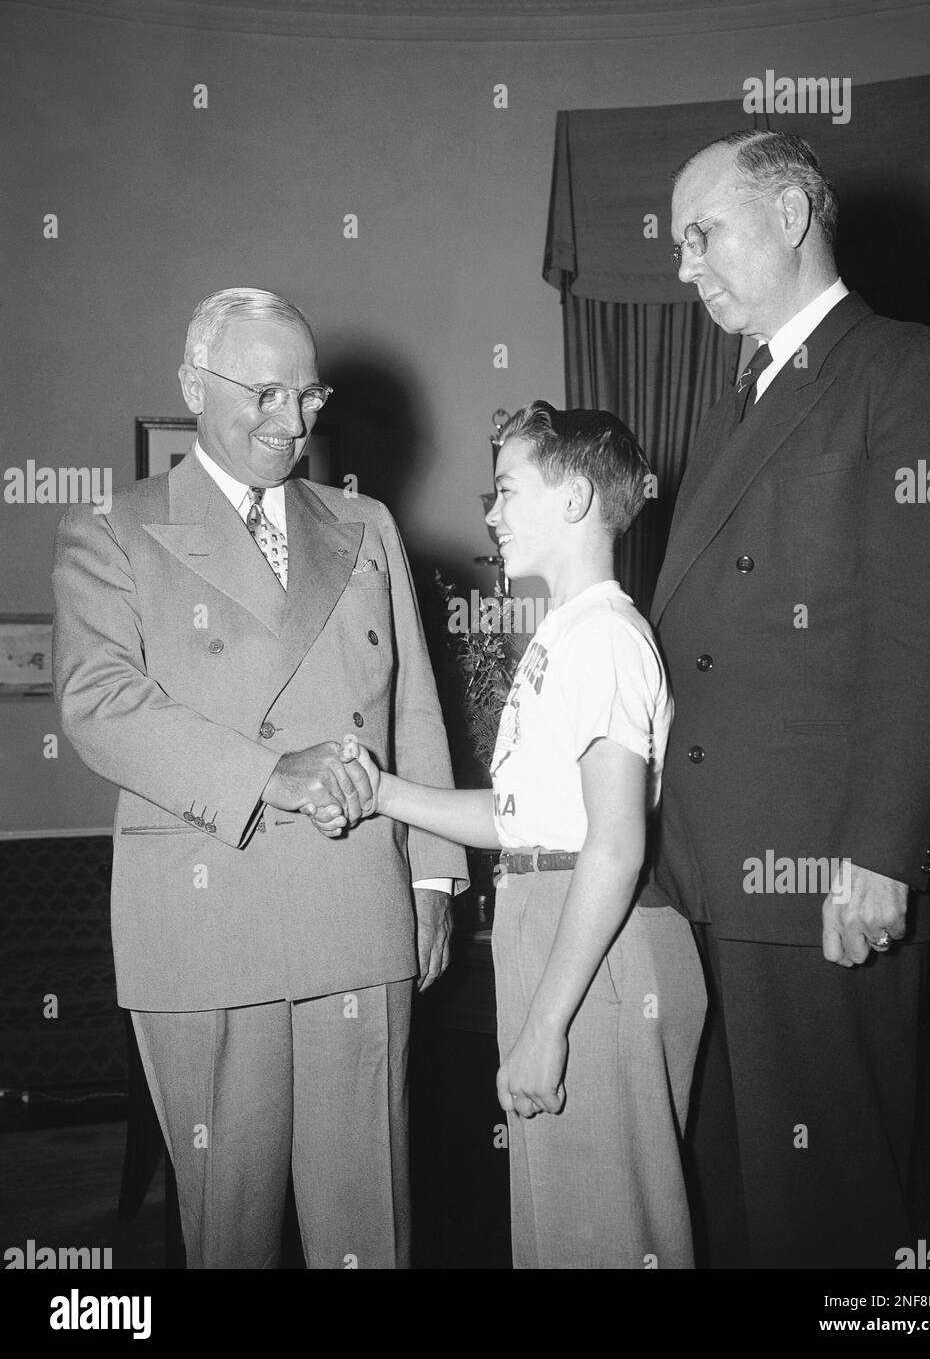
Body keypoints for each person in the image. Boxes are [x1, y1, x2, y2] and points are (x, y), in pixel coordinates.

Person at [51, 286, 468, 1269]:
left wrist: (434, 880)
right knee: (227, 1232)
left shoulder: (363, 524)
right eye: (264, 394)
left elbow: (413, 706)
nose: (293, 422)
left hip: (357, 908)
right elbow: (98, 703)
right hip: (204, 924)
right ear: (193, 384)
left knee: (371, 1227)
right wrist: (268, 773)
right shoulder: (114, 528)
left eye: (309, 396)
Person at [649, 130, 930, 1268]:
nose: (683, 266)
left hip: (821, 869)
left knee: (827, 1205)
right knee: (736, 1193)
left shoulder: (912, 369)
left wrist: (883, 847)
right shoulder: (730, 402)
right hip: (707, 867)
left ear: (792, 214)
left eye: (700, 233)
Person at [312, 401, 707, 1269]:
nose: (489, 513)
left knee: (611, 1235)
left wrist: (546, 1024)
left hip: (595, 944)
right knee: (563, 1228)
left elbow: (613, 846)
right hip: (555, 923)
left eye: (506, 489)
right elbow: (512, 818)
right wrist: (382, 793)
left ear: (572, 499)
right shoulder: (563, 637)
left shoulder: (604, 636)